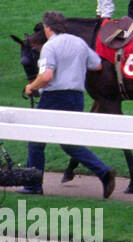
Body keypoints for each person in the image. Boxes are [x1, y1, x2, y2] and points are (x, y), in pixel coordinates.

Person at [20, 11, 116, 198]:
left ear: (48, 28)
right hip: (76, 98)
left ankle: (33, 187)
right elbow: (96, 65)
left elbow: (47, 76)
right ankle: (104, 172)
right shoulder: (78, 42)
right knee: (69, 143)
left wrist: (31, 87)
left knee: (36, 141)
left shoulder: (50, 46)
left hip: (55, 98)